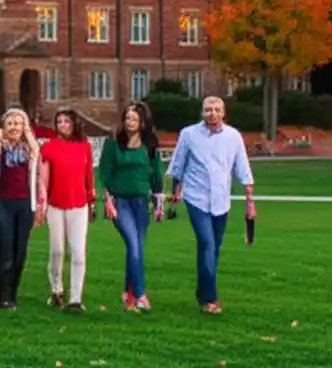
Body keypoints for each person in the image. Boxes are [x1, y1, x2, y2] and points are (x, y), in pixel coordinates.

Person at [167, 96, 256, 315]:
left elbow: (242, 168)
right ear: (202, 112)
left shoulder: (233, 137)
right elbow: (178, 164)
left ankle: (202, 289)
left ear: (223, 113)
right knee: (206, 243)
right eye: (208, 110)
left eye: (217, 109)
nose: (212, 114)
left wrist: (249, 201)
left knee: (214, 247)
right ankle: (210, 299)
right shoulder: (189, 134)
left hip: (221, 200)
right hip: (196, 198)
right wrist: (176, 189)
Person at [100, 101, 165, 312]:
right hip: (120, 203)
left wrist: (158, 203)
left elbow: (157, 175)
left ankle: (127, 294)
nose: (129, 122)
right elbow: (103, 174)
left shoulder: (150, 145)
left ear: (143, 122)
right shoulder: (113, 144)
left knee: (135, 249)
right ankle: (139, 295)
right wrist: (108, 200)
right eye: (127, 118)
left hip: (141, 203)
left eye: (134, 119)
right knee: (134, 246)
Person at [38, 108, 95, 312]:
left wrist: (91, 198)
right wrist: (41, 204)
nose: (62, 125)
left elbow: (88, 174)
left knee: (78, 253)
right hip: (55, 205)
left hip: (79, 205)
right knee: (57, 250)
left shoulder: (84, 146)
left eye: (66, 121)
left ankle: (75, 299)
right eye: (59, 121)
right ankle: (56, 289)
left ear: (74, 124)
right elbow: (43, 179)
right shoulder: (48, 147)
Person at [0, 108, 40, 310]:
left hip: (25, 205)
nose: (14, 127)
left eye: (18, 123)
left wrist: (40, 204)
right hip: (4, 204)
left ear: (24, 127)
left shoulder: (32, 151)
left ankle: (13, 292)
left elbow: (39, 179)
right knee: (5, 250)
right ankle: (3, 296)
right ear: (4, 127)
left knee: (20, 252)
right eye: (10, 123)